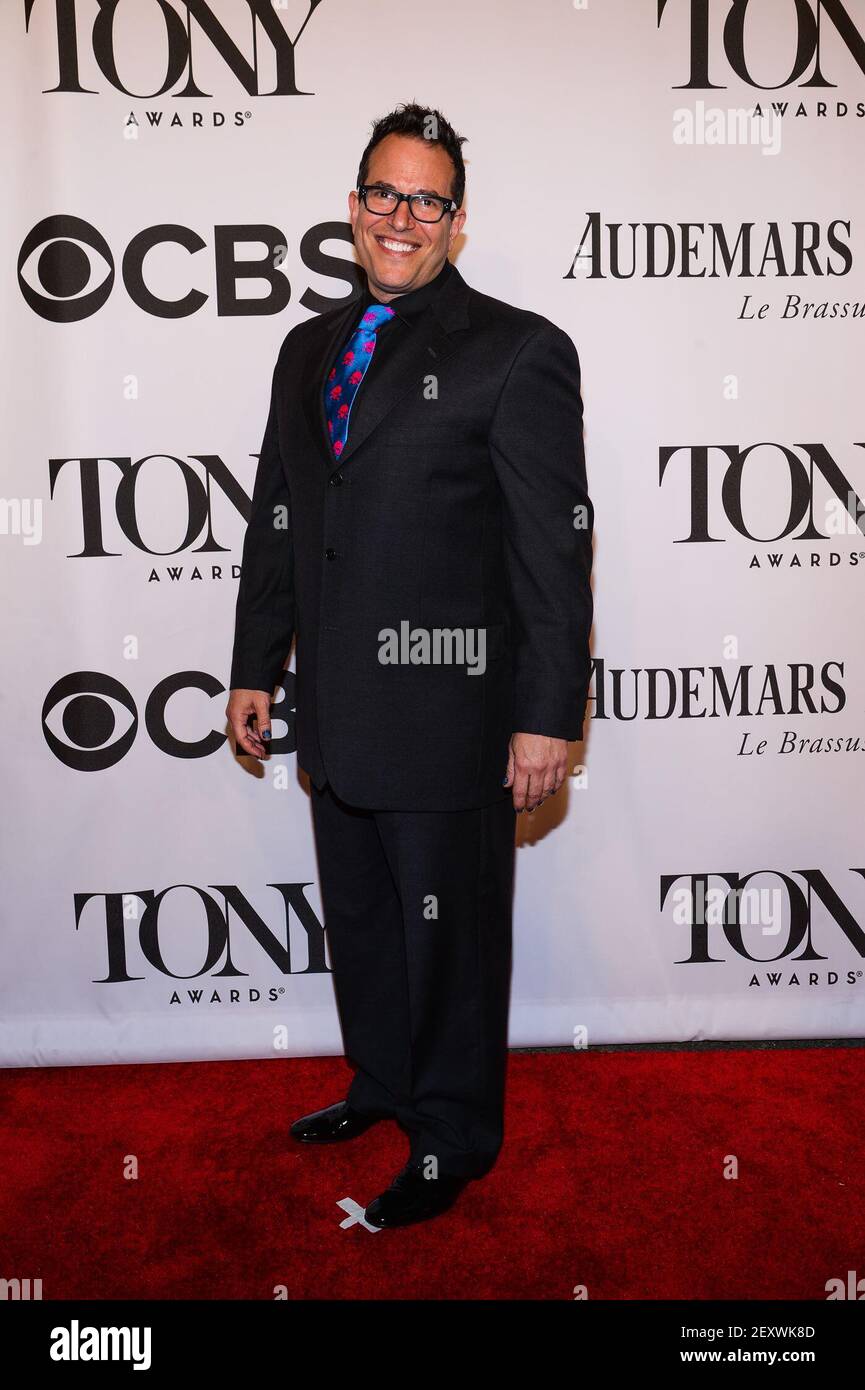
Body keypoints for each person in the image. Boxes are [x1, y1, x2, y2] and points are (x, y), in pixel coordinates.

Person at [226, 102, 593, 1228]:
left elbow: (553, 545)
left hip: (454, 719)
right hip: (335, 713)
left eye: (426, 199)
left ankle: (453, 1136)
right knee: (372, 925)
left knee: (450, 939)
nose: (401, 216)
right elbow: (281, 518)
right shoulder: (307, 348)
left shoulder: (519, 350)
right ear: (352, 205)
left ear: (456, 221)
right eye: (384, 192)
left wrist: (546, 713)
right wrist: (254, 664)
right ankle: (382, 1084)